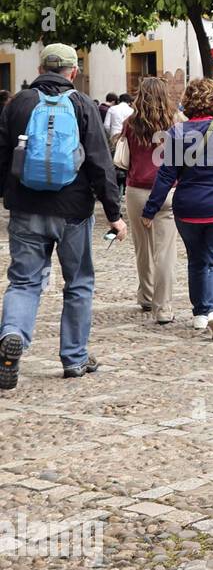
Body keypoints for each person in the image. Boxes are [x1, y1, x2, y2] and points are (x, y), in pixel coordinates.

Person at [0, 43, 126, 388]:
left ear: (41, 69)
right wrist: (114, 213)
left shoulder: (18, 104)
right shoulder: (84, 104)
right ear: (73, 72)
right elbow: (100, 162)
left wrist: (7, 195)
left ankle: (12, 336)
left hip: (26, 207)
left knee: (24, 282)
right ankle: (74, 357)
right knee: (79, 283)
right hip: (73, 211)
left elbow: (2, 156)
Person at [141, 77, 213, 339]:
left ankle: (200, 314)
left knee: (197, 260)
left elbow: (166, 176)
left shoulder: (176, 134)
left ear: (188, 102)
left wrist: (150, 210)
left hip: (188, 209)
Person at [122, 78, 179, 324]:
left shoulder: (130, 123)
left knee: (142, 247)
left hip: (136, 190)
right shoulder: (175, 123)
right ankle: (163, 307)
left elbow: (125, 157)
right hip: (167, 191)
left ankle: (146, 294)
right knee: (165, 251)